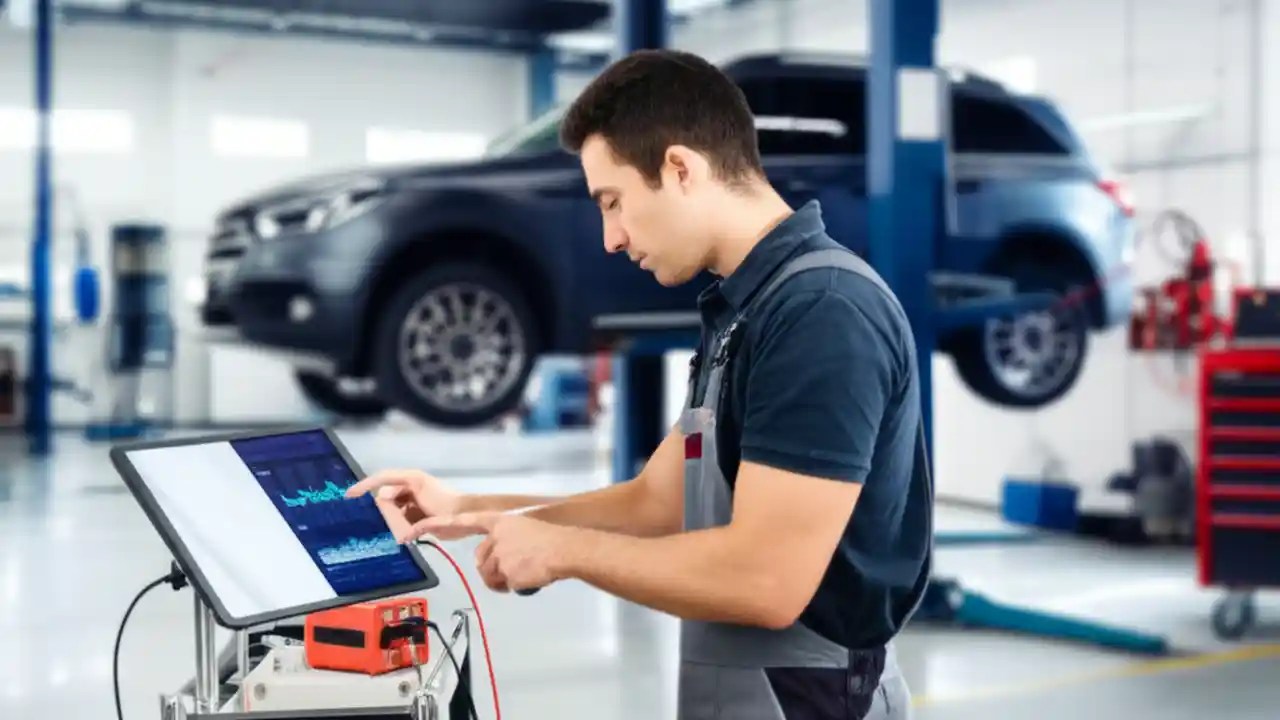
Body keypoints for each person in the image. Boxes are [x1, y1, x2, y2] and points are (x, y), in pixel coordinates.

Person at [347, 48, 932, 720]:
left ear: (680, 168)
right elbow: (659, 501)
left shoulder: (821, 312)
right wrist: (465, 508)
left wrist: (565, 551)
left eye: (612, 202)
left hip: (816, 699)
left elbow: (769, 579)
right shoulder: (746, 308)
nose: (610, 238)